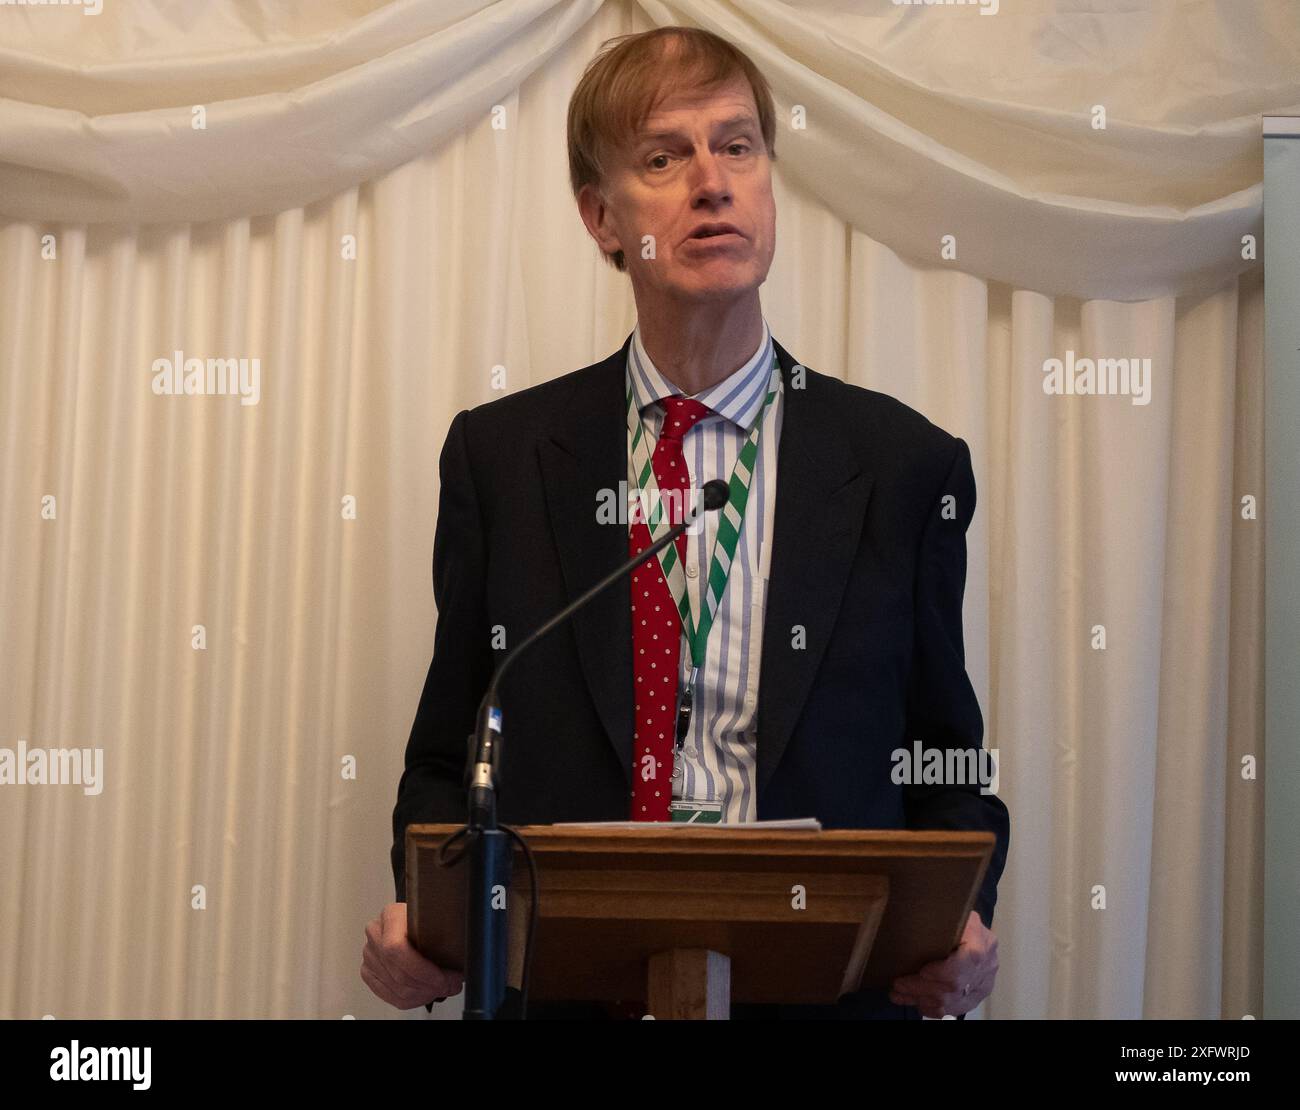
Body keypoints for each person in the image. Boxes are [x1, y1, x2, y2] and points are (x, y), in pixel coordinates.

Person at [362, 25, 1008, 1020]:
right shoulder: (502, 459)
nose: (713, 183)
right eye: (664, 157)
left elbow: (943, 761)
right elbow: (452, 752)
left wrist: (964, 925)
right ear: (602, 217)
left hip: (824, 998)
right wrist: (425, 913)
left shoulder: (903, 467)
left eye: (738, 146)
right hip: (574, 991)